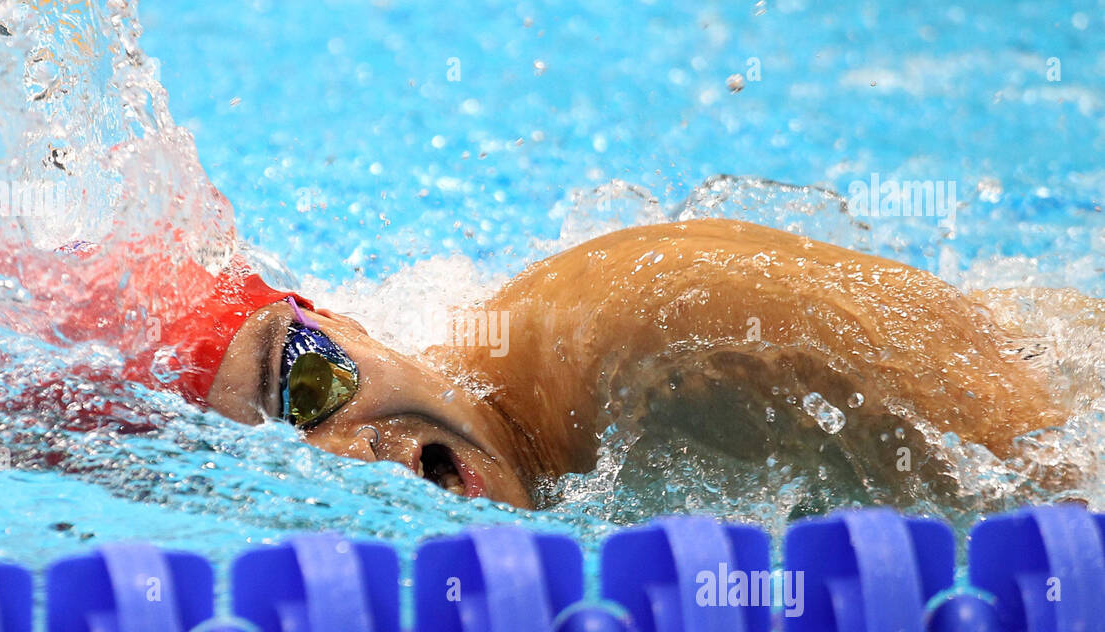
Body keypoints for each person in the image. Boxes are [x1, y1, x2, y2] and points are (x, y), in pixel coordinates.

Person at [187, 218, 1068, 510]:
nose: (356, 459)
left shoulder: (674, 341)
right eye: (285, 475)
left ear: (343, 323)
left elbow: (1057, 469)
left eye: (304, 385)